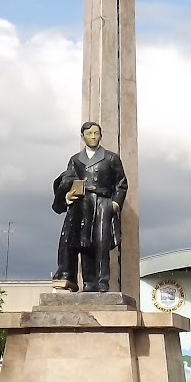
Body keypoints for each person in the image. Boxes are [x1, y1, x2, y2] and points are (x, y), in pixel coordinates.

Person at [51, 121, 128, 293]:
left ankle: (102, 282)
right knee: (84, 243)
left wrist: (115, 204)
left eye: (96, 133)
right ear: (83, 136)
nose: (93, 137)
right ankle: (89, 282)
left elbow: (121, 184)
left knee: (101, 242)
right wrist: (68, 197)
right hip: (82, 204)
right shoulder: (76, 159)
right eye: (89, 134)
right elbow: (67, 180)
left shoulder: (111, 158)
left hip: (103, 202)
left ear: (101, 135)